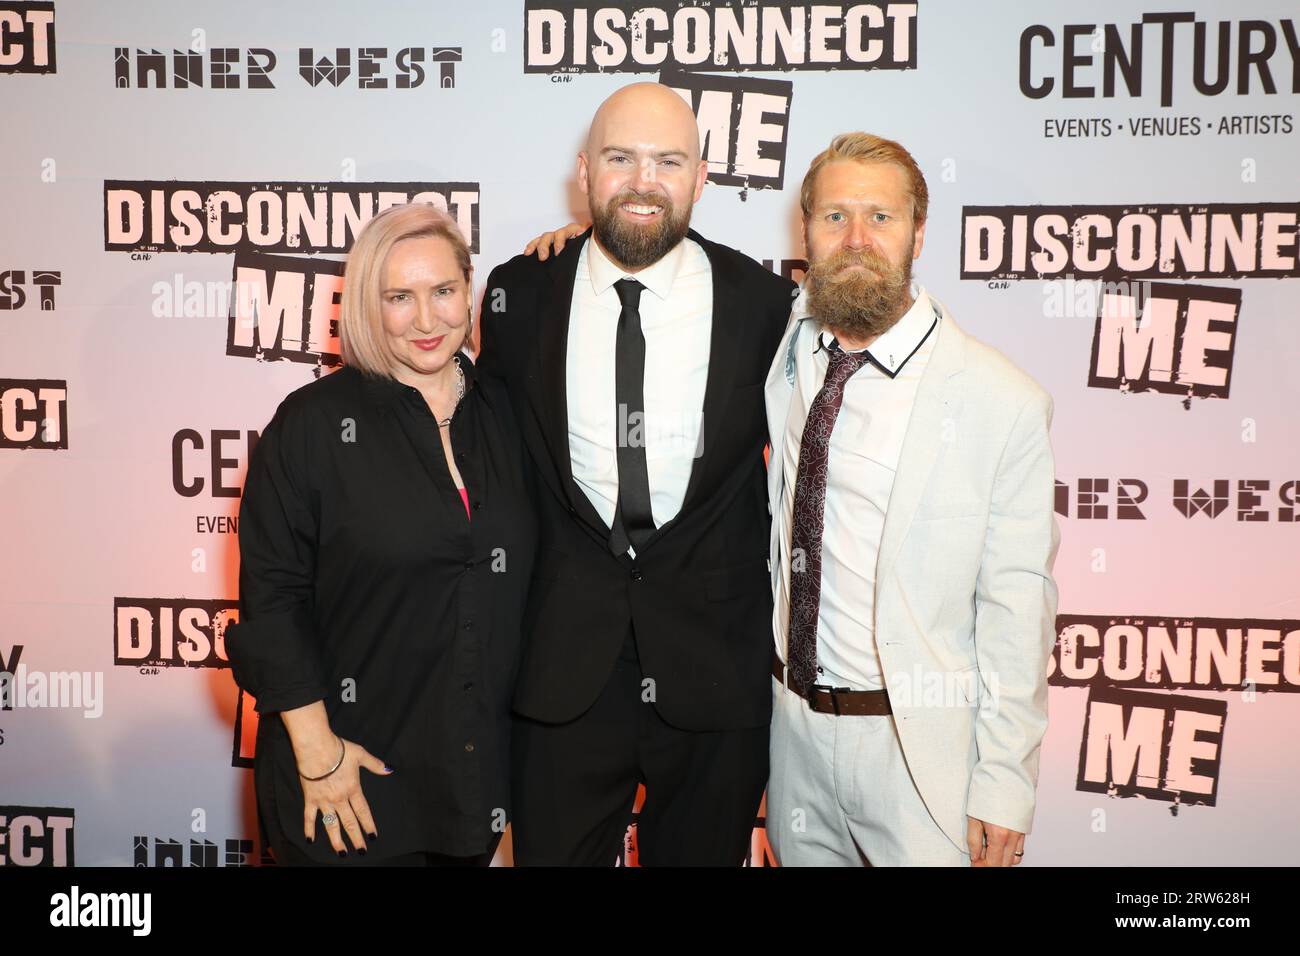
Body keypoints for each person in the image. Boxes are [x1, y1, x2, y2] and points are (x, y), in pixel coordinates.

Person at [476, 82, 795, 866]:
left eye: (667, 161)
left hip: (714, 671)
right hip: (561, 671)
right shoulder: (519, 296)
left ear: (701, 177)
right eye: (621, 159)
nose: (643, 181)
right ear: (584, 172)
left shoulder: (766, 304)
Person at [764, 133, 1059, 866]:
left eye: (881, 218)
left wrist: (1003, 783)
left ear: (919, 233)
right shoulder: (789, 345)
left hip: (921, 755)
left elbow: (1018, 608)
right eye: (834, 218)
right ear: (806, 233)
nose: (856, 239)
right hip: (791, 738)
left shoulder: (1001, 400)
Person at [225, 203, 536, 866]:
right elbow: (271, 605)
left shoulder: (508, 413)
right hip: (349, 786)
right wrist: (319, 754)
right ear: (369, 303)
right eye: (400, 297)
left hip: (474, 788)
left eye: (444, 292)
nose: (428, 320)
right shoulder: (311, 427)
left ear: (470, 290)